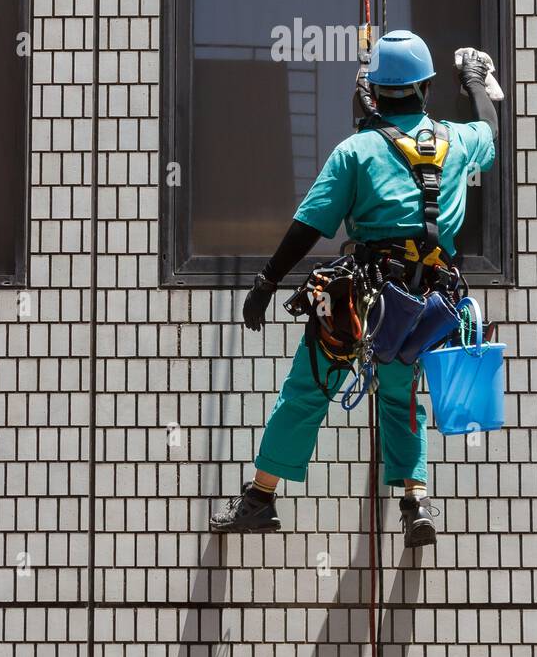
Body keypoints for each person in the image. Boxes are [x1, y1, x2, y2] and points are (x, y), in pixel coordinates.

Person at [210, 30, 499, 546]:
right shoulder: (457, 141)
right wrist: (473, 79)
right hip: (424, 303)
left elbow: (309, 226)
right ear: (426, 86)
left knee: (306, 391)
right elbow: (490, 129)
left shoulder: (357, 150)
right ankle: (415, 505)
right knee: (400, 398)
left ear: (376, 91)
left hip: (360, 300)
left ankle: (260, 500)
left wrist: (267, 279)